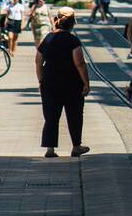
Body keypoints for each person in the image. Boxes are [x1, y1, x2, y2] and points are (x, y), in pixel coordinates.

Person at [35, 8, 92, 158]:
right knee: (75, 115)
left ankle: (50, 149)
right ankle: (76, 146)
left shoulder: (47, 39)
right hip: (71, 84)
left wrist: (41, 80)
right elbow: (79, 63)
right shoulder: (73, 40)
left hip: (50, 83)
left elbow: (38, 61)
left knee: (51, 116)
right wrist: (86, 83)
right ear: (72, 24)